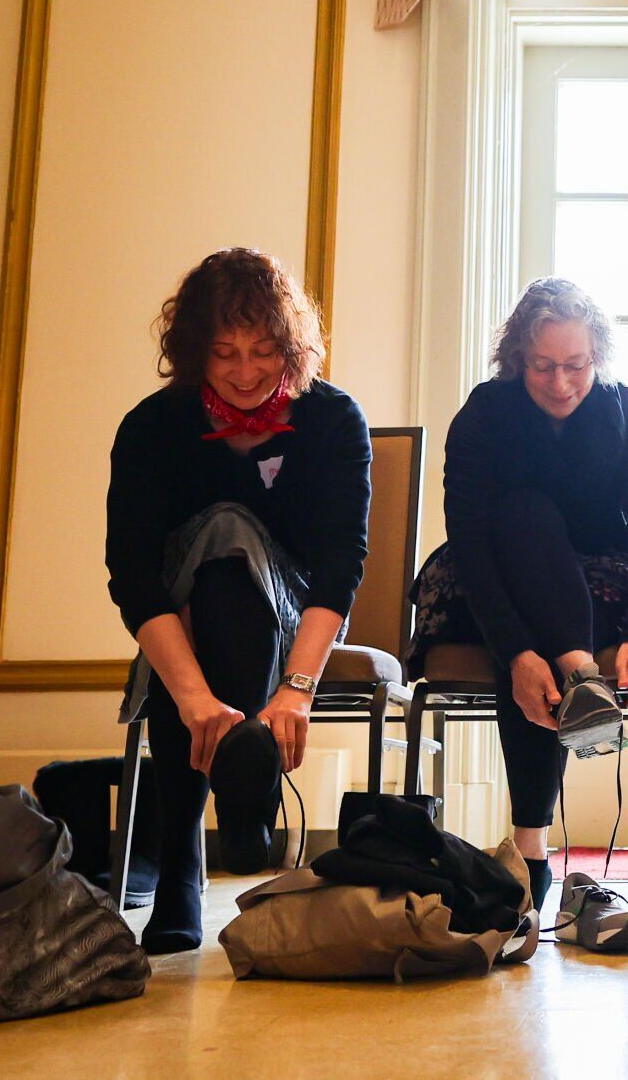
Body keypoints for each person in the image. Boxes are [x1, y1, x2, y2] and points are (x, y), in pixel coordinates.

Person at [106, 247, 371, 954]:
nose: (247, 371)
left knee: (235, 561)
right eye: (224, 354)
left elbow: (340, 567)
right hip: (181, 629)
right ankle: (235, 791)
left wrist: (297, 689)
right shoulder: (150, 428)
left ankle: (183, 868)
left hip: (293, 627)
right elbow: (132, 575)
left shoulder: (334, 422)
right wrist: (195, 699)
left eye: (263, 351)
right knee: (216, 565)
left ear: (291, 347)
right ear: (193, 353)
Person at [408, 278, 628, 944]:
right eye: (544, 366)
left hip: (606, 593)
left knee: (542, 629)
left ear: (598, 356)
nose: (561, 384)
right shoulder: (483, 416)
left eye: (576, 366)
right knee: (524, 517)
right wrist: (518, 651)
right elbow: (471, 541)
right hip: (494, 586)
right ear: (517, 359)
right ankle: (580, 676)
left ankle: (531, 855)